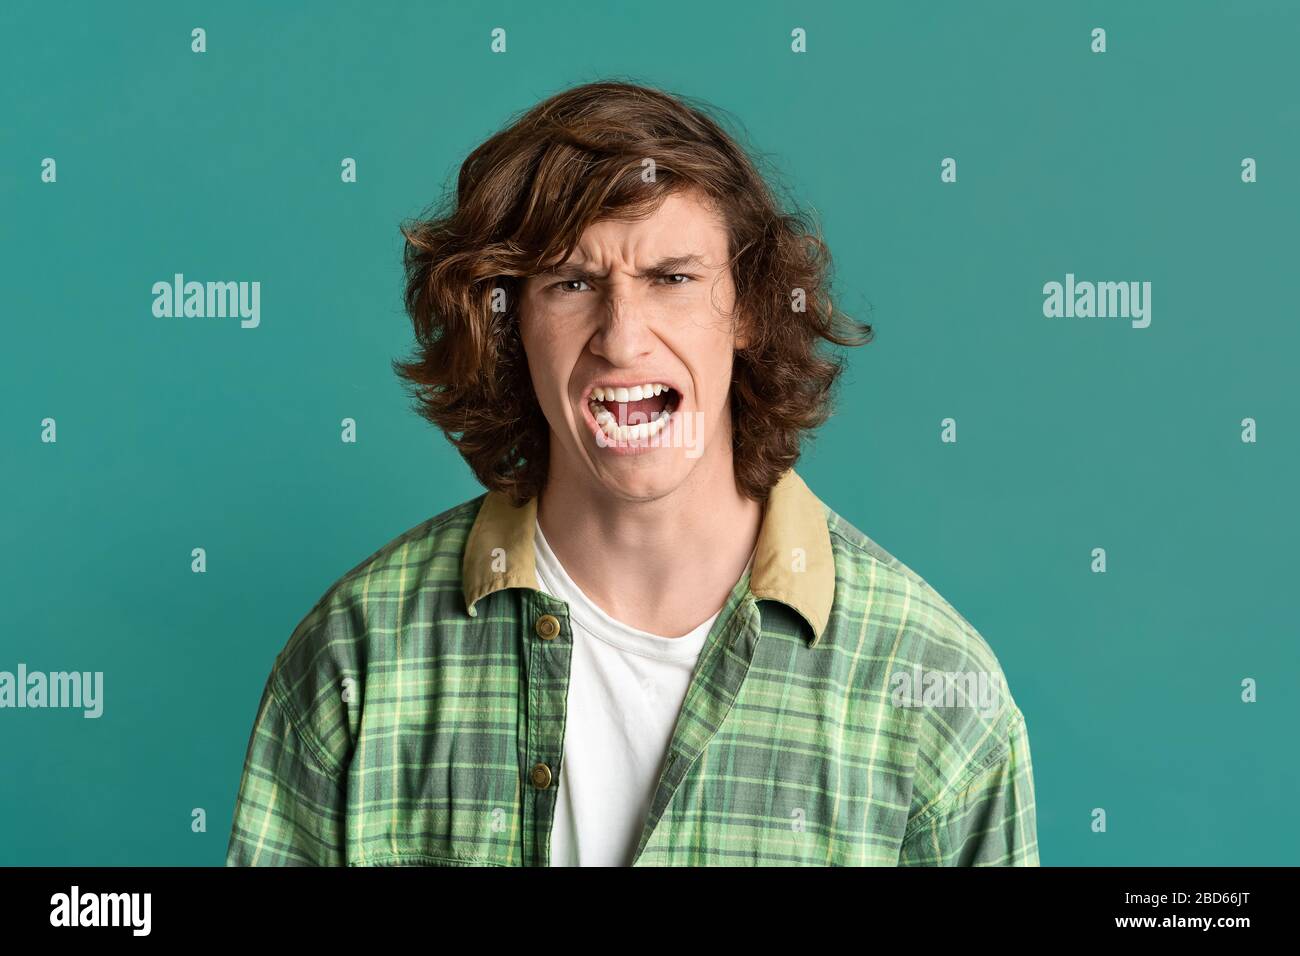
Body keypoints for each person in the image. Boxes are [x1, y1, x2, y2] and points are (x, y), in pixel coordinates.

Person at [226, 80, 1038, 867]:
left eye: (672, 279)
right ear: (511, 326)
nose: (623, 337)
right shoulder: (356, 659)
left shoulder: (934, 685)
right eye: (572, 284)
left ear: (750, 308)